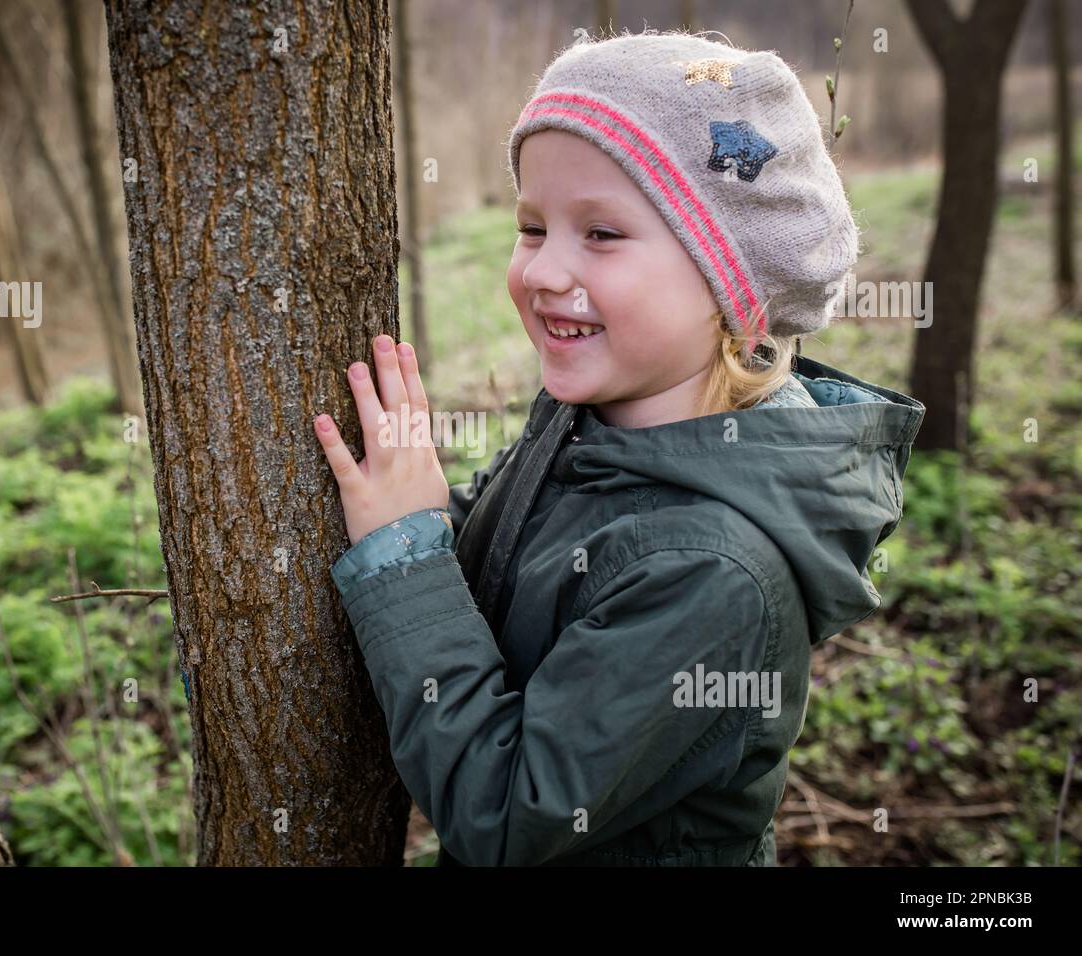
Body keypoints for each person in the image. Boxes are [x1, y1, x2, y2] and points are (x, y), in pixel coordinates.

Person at [311, 29, 924, 866]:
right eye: (532, 227)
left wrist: (402, 560)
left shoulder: (711, 573)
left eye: (601, 235)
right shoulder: (589, 418)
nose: (542, 271)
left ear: (728, 286)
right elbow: (504, 568)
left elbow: (506, 814)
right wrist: (416, 513)